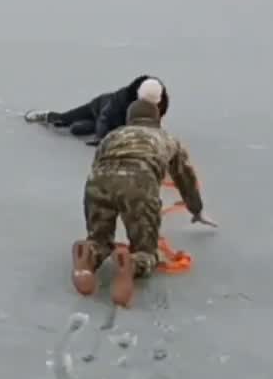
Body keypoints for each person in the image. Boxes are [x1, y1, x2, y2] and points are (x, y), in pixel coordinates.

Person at [71, 98, 217, 307]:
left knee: (100, 239)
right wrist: (197, 209)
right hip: (139, 182)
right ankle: (132, 262)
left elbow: (97, 163)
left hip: (99, 180)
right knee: (146, 251)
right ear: (158, 120)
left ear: (129, 120)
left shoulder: (113, 135)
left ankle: (89, 251)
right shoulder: (167, 138)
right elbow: (184, 177)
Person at [25, 75, 170, 146]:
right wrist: (100, 139)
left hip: (117, 125)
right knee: (64, 120)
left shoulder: (161, 101)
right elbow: (104, 117)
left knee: (79, 129)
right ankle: (46, 116)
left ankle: (87, 127)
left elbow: (155, 120)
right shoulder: (120, 100)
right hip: (98, 108)